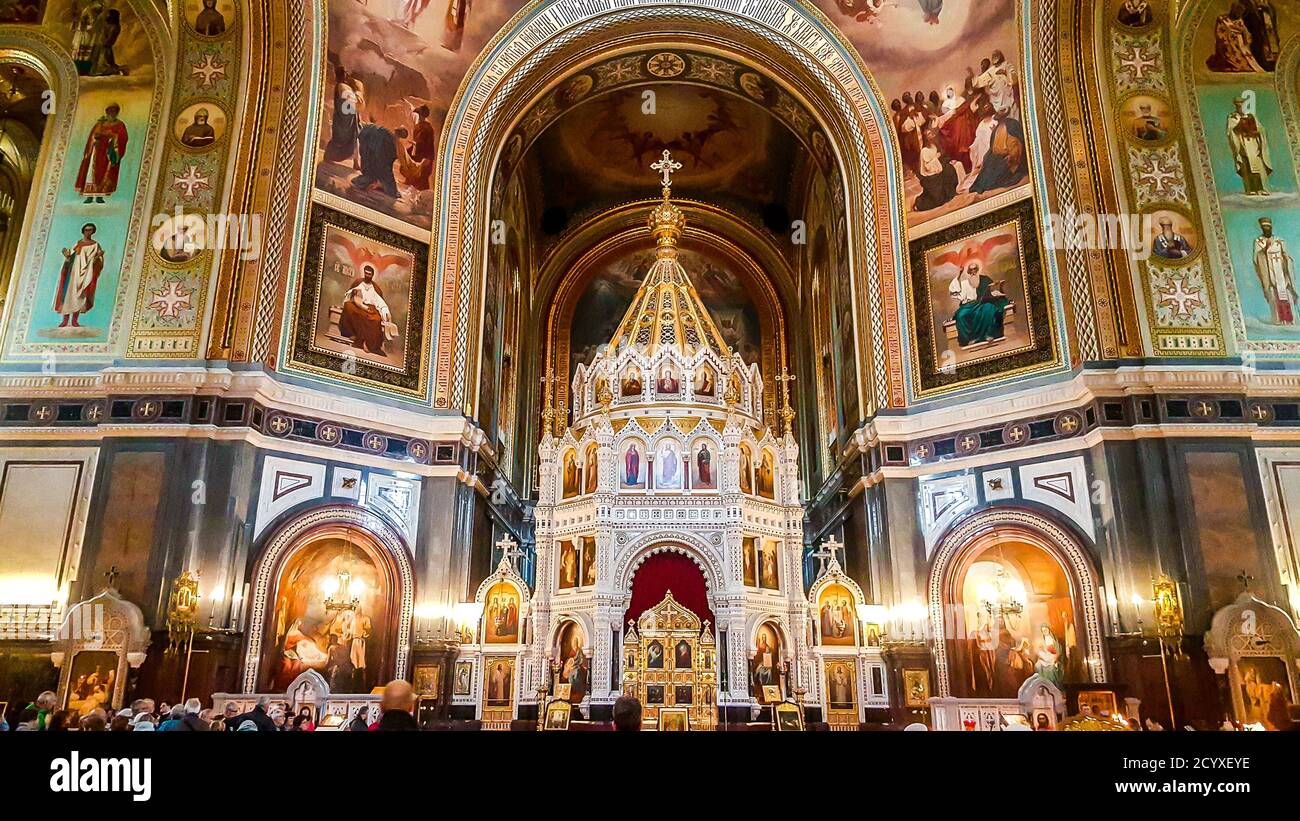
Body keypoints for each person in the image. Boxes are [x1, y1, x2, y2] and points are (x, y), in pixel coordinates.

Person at [339, 262, 396, 356]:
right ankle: (354, 335)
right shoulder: (358, 283)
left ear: (372, 275)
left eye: (369, 274)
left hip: (371, 308)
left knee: (376, 319)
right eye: (366, 273)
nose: (367, 275)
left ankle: (367, 343)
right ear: (364, 273)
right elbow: (352, 296)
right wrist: (357, 299)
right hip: (359, 305)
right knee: (348, 306)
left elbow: (380, 302)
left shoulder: (375, 288)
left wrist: (386, 311)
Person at [75, 103, 128, 203]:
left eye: (114, 112)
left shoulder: (120, 125)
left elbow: (123, 138)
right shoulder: (100, 123)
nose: (112, 114)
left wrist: (113, 136)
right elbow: (93, 136)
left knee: (105, 173)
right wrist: (96, 138)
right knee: (91, 172)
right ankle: (89, 196)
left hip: (108, 153)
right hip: (96, 152)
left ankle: (100, 196)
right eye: (110, 111)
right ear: (107, 112)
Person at [1254, 217, 1296, 325]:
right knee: (1274, 295)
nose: (1266, 229)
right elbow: (1256, 259)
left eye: (1268, 227)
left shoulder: (1279, 241)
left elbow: (1286, 255)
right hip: (1269, 273)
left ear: (1271, 227)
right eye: (1264, 228)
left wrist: (1287, 261)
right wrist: (1264, 252)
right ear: (1262, 228)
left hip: (1281, 272)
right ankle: (1278, 319)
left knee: (1285, 294)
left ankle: (1289, 320)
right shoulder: (1259, 242)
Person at [1227, 96, 1272, 195]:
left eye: (1241, 104)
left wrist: (1257, 131)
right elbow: (1231, 131)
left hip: (1253, 144)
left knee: (1257, 166)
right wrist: (1239, 125)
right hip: (1243, 145)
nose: (1239, 106)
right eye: (1237, 104)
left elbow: (1261, 129)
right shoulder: (1233, 117)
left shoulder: (1251, 115)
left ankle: (1262, 188)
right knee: (1247, 166)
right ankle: (1251, 189)